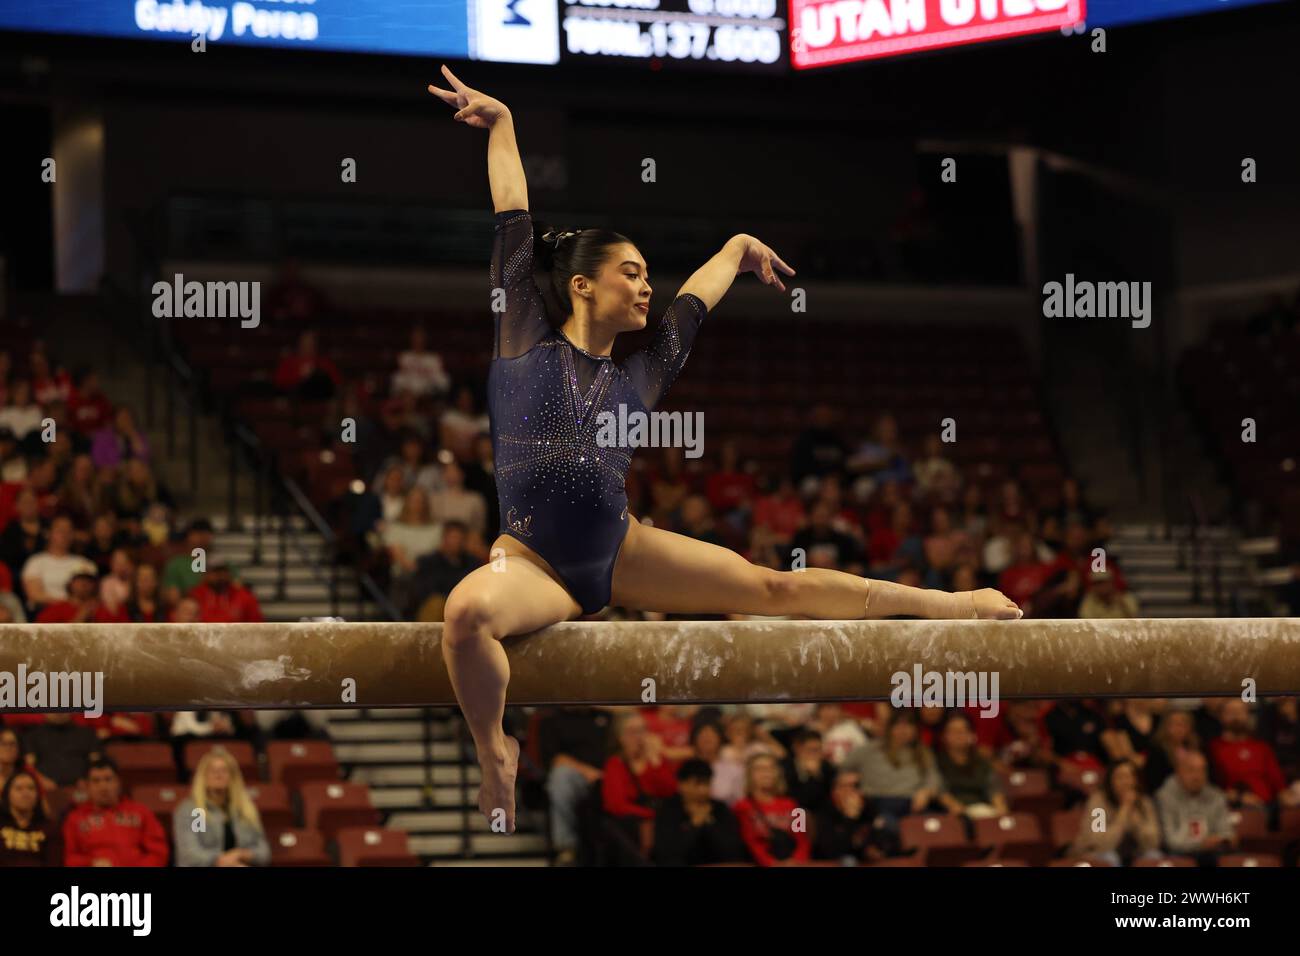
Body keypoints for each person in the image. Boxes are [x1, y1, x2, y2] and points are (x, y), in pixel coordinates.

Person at [425, 64, 1023, 833]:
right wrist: (504, 124)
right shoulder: (522, 336)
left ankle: (951, 606)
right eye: (630, 274)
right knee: (468, 611)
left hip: (621, 546)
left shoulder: (641, 373)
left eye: (647, 277)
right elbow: (512, 215)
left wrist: (738, 246)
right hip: (536, 563)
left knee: (775, 589)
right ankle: (494, 753)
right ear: (580, 285)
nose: (647, 289)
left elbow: (692, 304)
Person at [173, 748, 270, 867]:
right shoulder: (196, 811)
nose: (219, 775)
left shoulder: (244, 809)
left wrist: (241, 854)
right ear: (203, 776)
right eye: (213, 771)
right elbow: (192, 855)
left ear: (233, 777)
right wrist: (222, 861)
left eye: (224, 771)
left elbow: (264, 852)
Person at [63, 758, 169, 866]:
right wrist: (91, 863)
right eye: (96, 781)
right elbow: (71, 859)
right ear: (87, 786)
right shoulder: (75, 818)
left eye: (108, 779)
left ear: (118, 782)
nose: (103, 787)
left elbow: (158, 853)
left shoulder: (141, 812)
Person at [652, 759, 747, 866]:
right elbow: (666, 854)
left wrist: (709, 823)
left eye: (707, 784)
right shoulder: (668, 809)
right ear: (681, 785)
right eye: (697, 784)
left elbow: (734, 851)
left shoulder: (720, 808)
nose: (703, 790)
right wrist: (694, 825)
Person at [1068, 760, 1162, 865]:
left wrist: (1137, 820)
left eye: (1130, 776)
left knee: (1154, 856)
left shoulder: (1144, 802)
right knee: (1110, 858)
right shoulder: (1098, 803)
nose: (1126, 782)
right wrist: (1123, 811)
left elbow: (1153, 842)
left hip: (1133, 854)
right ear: (1110, 781)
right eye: (1120, 777)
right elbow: (1099, 843)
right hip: (1095, 853)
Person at [1155, 750, 1235, 865]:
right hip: (1178, 854)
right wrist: (1200, 844)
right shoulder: (1165, 797)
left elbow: (1226, 831)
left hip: (1212, 854)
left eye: (1202, 770)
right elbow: (1171, 841)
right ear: (1179, 772)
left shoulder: (1216, 795)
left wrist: (1225, 839)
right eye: (1191, 770)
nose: (1197, 776)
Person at [732, 753, 811, 866]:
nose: (766, 773)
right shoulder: (741, 806)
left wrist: (796, 861)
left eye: (771, 768)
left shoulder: (792, 804)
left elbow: (803, 840)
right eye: (760, 769)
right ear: (749, 775)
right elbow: (750, 842)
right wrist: (772, 863)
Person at [934, 712, 1008, 820]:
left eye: (963, 731)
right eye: (953, 731)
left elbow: (994, 790)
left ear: (972, 735)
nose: (959, 735)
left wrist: (1001, 811)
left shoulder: (982, 762)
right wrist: (960, 812)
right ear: (943, 736)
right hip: (952, 815)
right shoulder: (936, 762)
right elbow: (939, 790)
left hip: (983, 811)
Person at [0, 769, 62, 866]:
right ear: (7, 794)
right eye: (19, 788)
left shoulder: (50, 828)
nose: (26, 793)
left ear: (37, 795)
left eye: (31, 788)